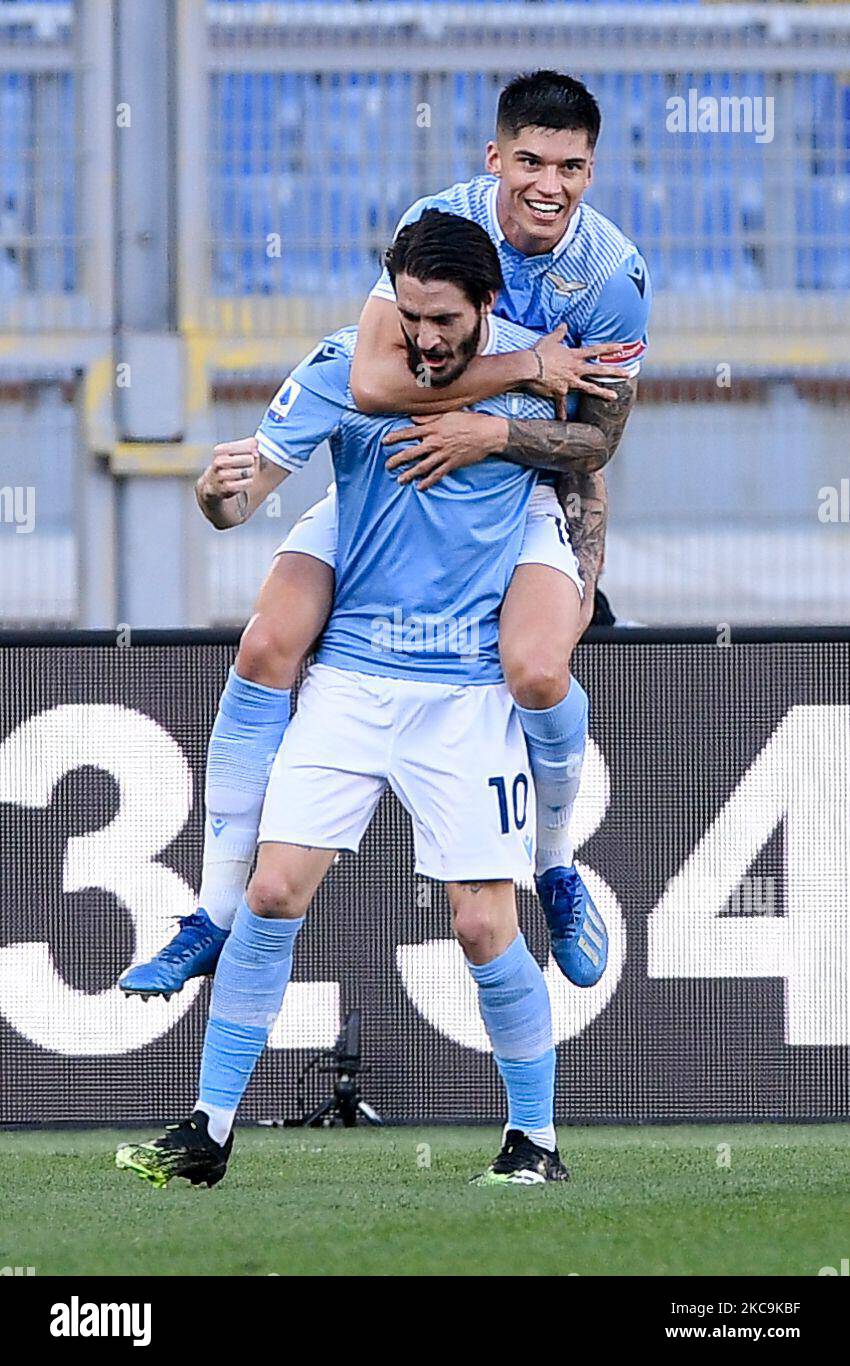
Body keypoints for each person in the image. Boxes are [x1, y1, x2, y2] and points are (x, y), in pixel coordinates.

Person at [119, 69, 648, 1002]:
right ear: (494, 161)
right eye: (529, 160)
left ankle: (557, 868)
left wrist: (492, 432)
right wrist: (216, 496)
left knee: (536, 671)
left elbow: (597, 443)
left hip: (512, 499)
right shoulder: (427, 249)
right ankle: (211, 912)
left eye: (569, 166)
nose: (548, 184)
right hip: (378, 508)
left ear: (593, 172)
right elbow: (361, 387)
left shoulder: (611, 280)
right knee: (267, 642)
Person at [116, 211, 617, 1188]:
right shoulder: (349, 367)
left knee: (481, 925)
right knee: (271, 890)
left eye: (446, 320)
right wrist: (215, 490)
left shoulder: (535, 371)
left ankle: (535, 1141)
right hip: (350, 676)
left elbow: (589, 464)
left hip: (464, 689)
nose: (426, 339)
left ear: (486, 307)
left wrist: (573, 577)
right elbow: (243, 495)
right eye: (411, 315)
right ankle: (209, 1127)